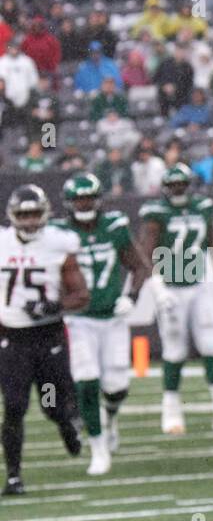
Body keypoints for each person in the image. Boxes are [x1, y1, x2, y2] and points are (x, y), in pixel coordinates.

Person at [55, 174, 150, 475]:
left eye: (88, 198)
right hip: (78, 318)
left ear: (98, 199)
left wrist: (132, 297)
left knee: (116, 386)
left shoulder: (114, 226)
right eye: (78, 199)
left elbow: (139, 265)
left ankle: (110, 418)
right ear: (69, 202)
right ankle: (98, 448)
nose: (84, 204)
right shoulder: (58, 233)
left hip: (112, 318)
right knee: (86, 379)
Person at [138, 163, 213, 434]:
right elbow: (146, 255)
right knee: (175, 351)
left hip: (198, 285)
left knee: (211, 346)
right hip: (171, 287)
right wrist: (158, 288)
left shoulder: (202, 207)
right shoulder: (156, 213)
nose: (177, 190)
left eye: (181, 185)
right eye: (173, 186)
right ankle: (171, 411)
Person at [0, 185, 88, 496]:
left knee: (51, 404)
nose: (28, 220)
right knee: (13, 406)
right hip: (12, 340)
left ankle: (65, 423)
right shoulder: (2, 242)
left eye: (34, 213)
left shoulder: (58, 244)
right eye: (23, 214)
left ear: (45, 213)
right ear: (13, 214)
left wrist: (53, 306)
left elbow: (81, 295)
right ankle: (13, 476)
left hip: (48, 337)